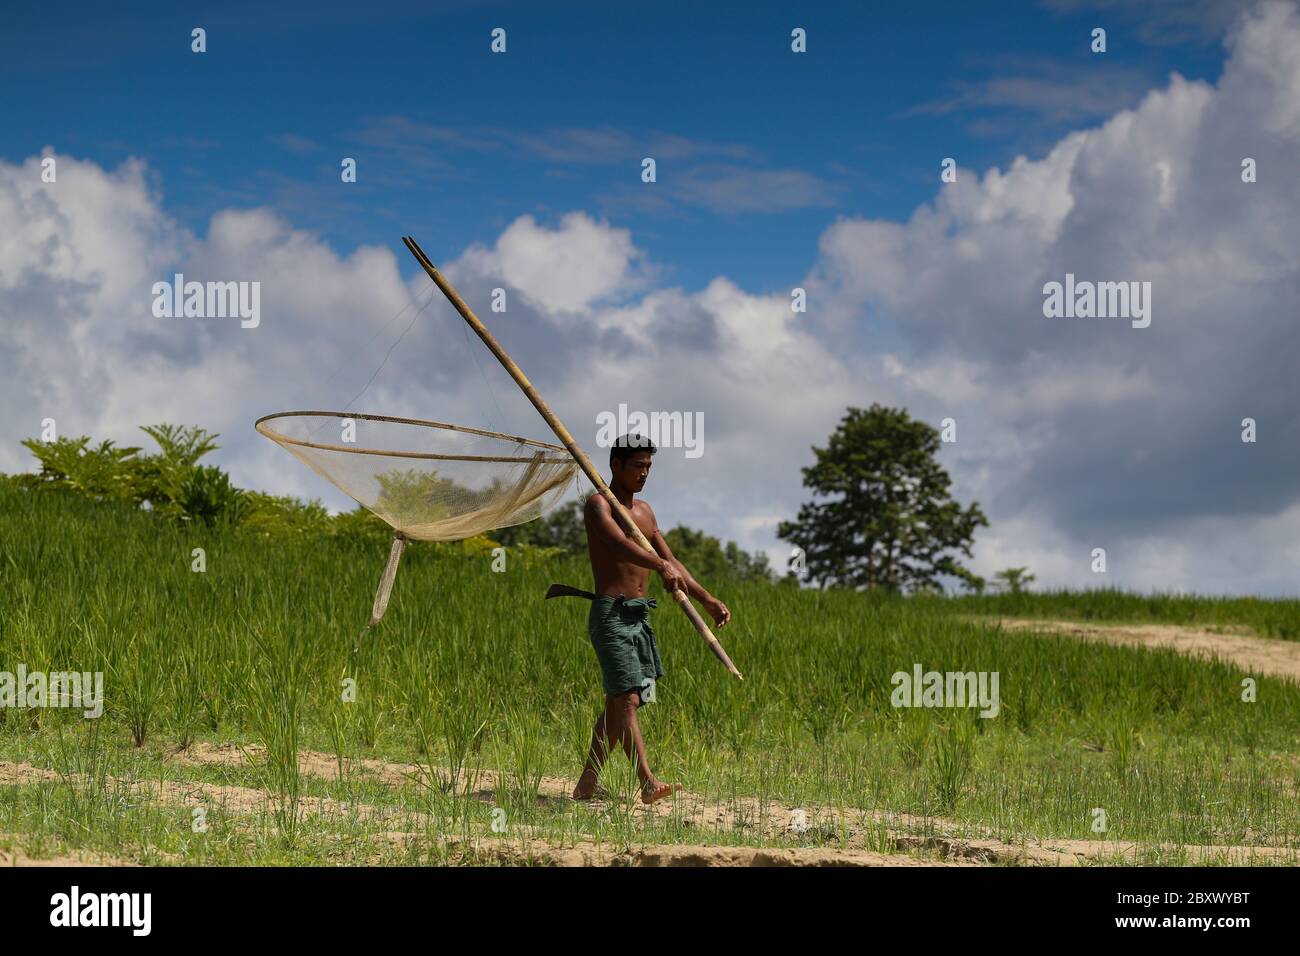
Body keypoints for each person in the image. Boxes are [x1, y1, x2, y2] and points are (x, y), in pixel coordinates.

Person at [571, 433, 731, 804]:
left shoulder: (645, 511)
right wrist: (659, 565)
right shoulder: (599, 506)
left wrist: (705, 597)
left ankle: (587, 783)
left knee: (623, 702)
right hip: (611, 613)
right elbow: (618, 544)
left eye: (648, 467)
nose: (644, 473)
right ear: (616, 466)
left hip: (640, 617)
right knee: (626, 698)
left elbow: (671, 561)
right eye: (637, 466)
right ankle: (647, 781)